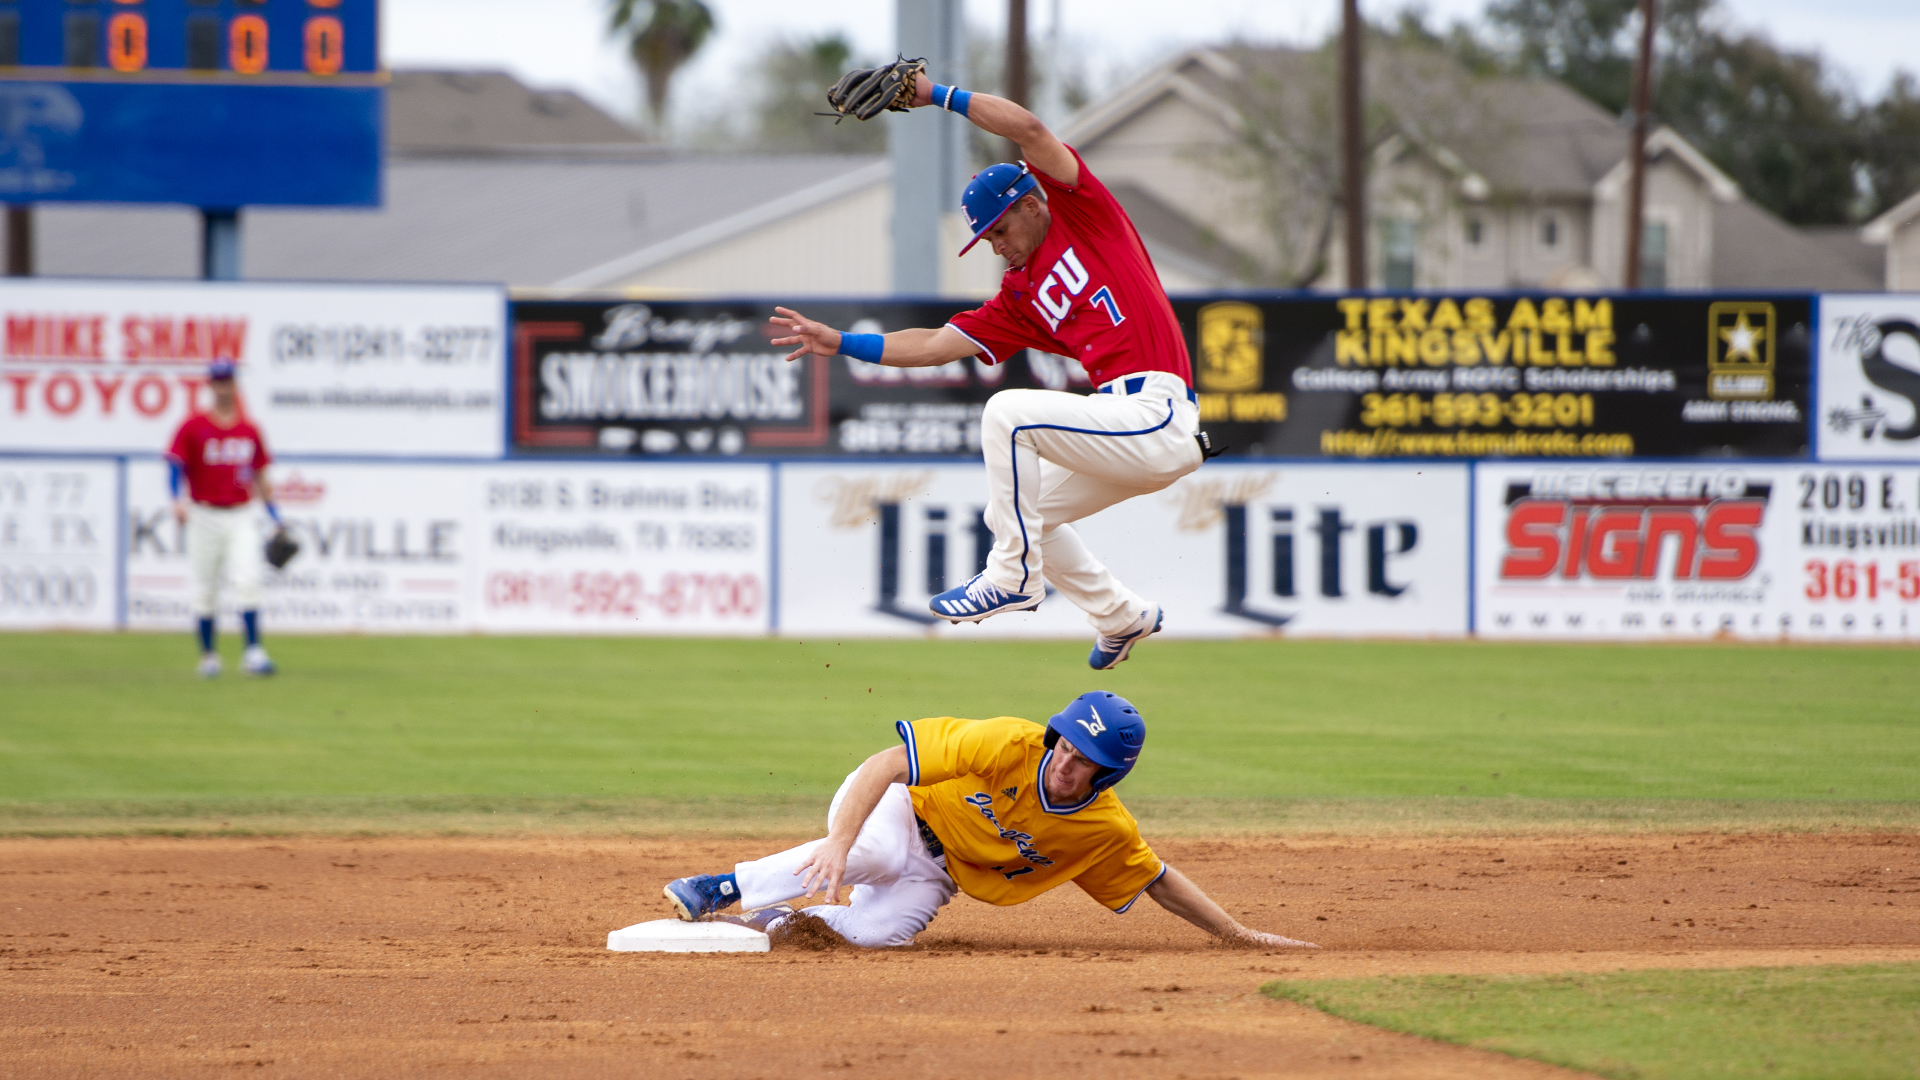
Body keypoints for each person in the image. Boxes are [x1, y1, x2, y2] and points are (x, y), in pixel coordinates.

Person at [773, 68, 1213, 670]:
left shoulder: (1086, 215)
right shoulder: (1020, 296)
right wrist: (842, 342)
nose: (995, 244)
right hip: (1129, 424)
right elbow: (932, 344)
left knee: (1007, 413)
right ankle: (1120, 615)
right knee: (1018, 514)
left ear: (1032, 206)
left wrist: (934, 94)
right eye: (984, 238)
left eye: (1000, 228)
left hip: (1157, 412)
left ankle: (1011, 578)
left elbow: (1029, 129)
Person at [662, 692, 1317, 951]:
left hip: (943, 874)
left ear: (1106, 774)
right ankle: (721, 887)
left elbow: (1158, 880)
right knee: (875, 856)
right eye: (1064, 744)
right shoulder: (1009, 742)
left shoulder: (1103, 829)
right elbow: (889, 762)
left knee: (876, 934)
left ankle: (776, 918)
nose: (1066, 761)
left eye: (1084, 759)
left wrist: (1238, 934)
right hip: (896, 811)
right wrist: (838, 841)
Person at [166, 360, 279, 678]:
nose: (224, 387)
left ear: (235, 385)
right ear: (210, 385)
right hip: (204, 513)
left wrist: (276, 517)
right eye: (218, 381)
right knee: (205, 587)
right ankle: (208, 655)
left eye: (228, 381)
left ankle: (253, 652)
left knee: (249, 580)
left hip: (241, 513)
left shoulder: (249, 429)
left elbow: (260, 476)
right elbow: (175, 464)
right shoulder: (193, 426)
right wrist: (176, 499)